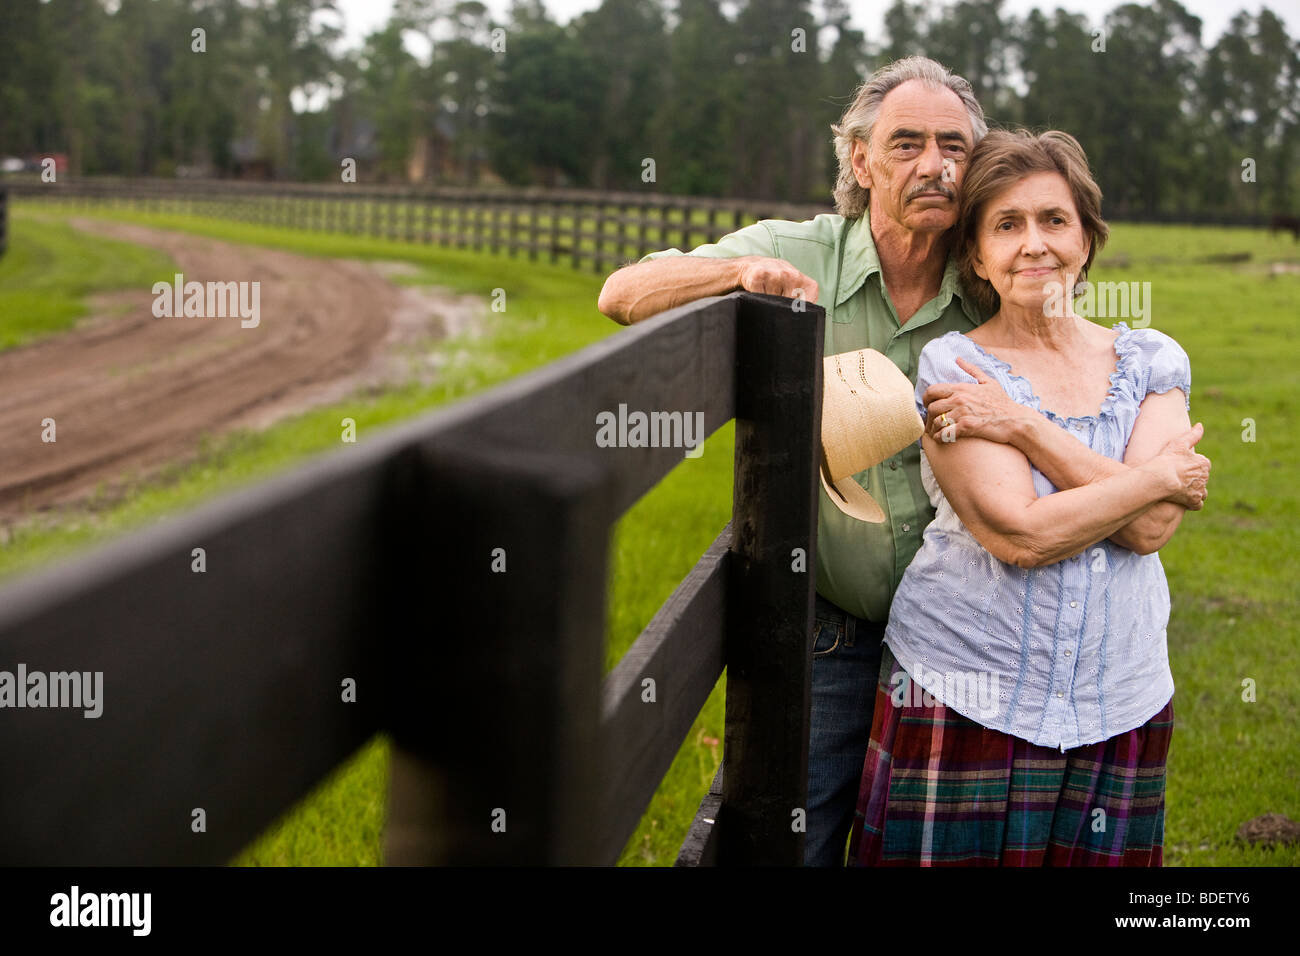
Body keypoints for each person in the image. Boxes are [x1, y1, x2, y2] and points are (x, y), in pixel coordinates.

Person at [598, 56, 991, 865]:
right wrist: (737, 275)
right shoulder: (796, 248)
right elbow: (623, 292)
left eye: (953, 146)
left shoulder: (993, 279)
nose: (934, 165)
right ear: (859, 159)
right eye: (906, 143)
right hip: (830, 628)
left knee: (937, 847)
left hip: (961, 632)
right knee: (782, 842)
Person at [848, 128, 1211, 866]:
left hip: (1119, 697)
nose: (1034, 244)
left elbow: (1150, 532)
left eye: (1054, 220)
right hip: (965, 691)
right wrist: (1160, 476)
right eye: (1006, 226)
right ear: (976, 255)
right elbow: (1020, 535)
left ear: (1086, 240)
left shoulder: (1149, 360)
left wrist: (1022, 427)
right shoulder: (954, 367)